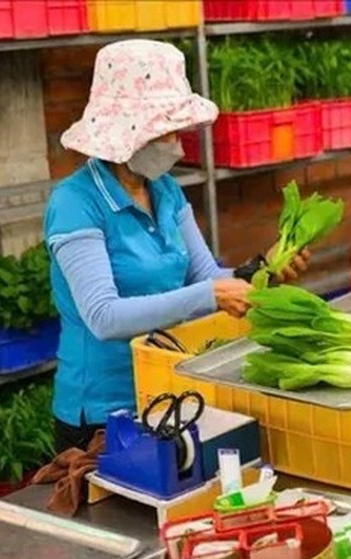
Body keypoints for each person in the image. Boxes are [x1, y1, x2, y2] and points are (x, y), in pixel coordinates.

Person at [44, 40, 310, 453]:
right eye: (165, 130)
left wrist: (264, 270)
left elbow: (207, 277)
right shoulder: (76, 203)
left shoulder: (164, 189)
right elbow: (104, 317)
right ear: (131, 131)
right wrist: (211, 295)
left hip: (170, 391)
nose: (177, 143)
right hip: (102, 418)